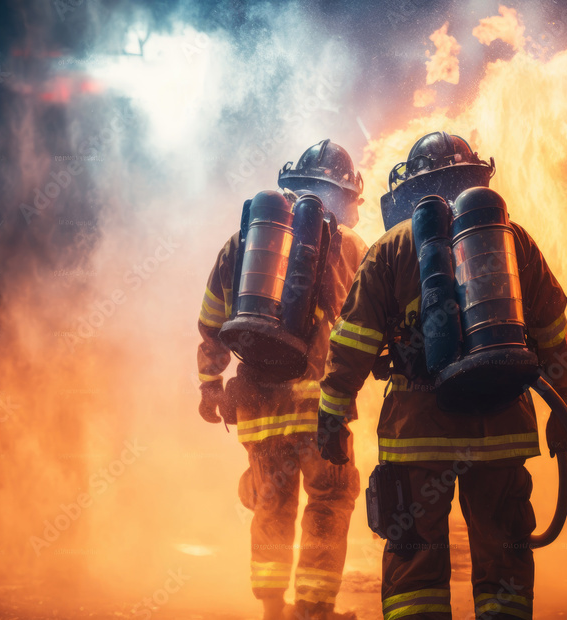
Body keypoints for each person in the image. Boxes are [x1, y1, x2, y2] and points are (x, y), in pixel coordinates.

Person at [316, 132, 567, 620]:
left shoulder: (390, 249)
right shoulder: (512, 240)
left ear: (412, 188)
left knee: (415, 567)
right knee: (505, 563)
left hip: (417, 437)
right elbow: (553, 330)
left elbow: (351, 342)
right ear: (474, 178)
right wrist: (561, 405)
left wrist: (333, 415)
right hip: (500, 429)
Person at [197, 140, 369, 620]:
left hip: (256, 406)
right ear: (339, 193)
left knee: (271, 507)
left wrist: (210, 382)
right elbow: (372, 319)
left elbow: (212, 318)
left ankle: (274, 610)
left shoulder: (245, 244)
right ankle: (313, 610)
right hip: (320, 412)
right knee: (329, 500)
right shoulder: (350, 247)